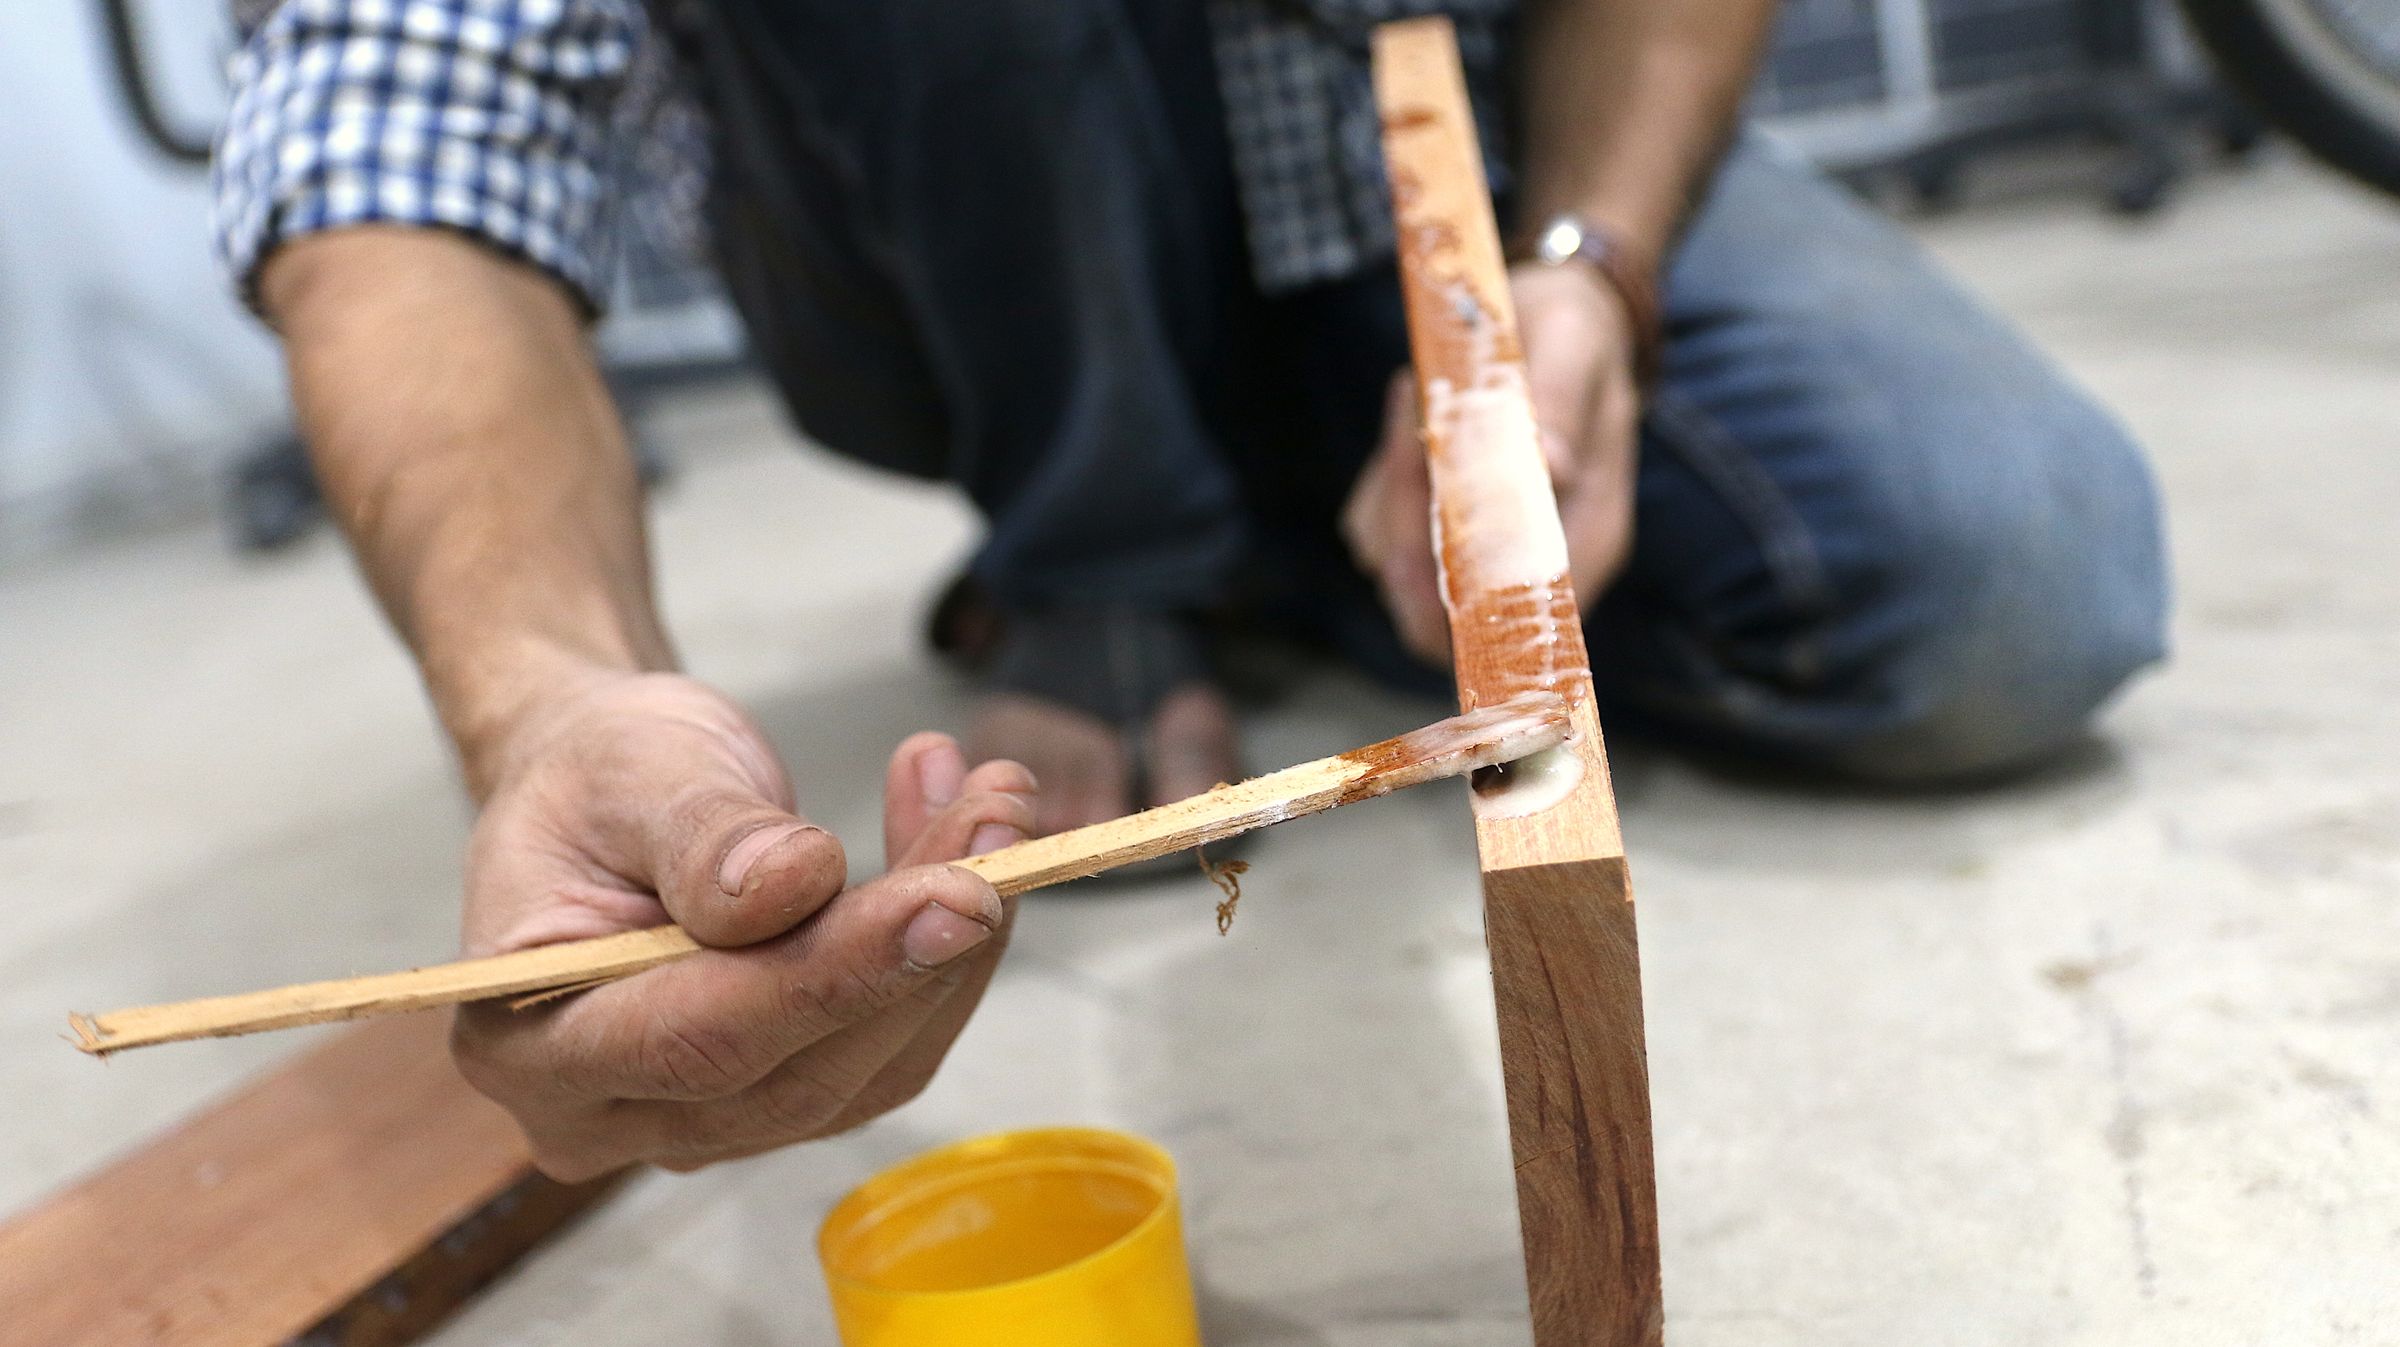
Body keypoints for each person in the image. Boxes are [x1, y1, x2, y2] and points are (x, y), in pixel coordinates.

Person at [214, 0, 2168, 1178]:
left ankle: (1265, 534)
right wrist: (550, 691)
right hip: (960, 225)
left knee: (2011, 575)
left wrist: (1581, 263)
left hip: (1446, 130)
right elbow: (402, 119)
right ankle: (1108, 527)